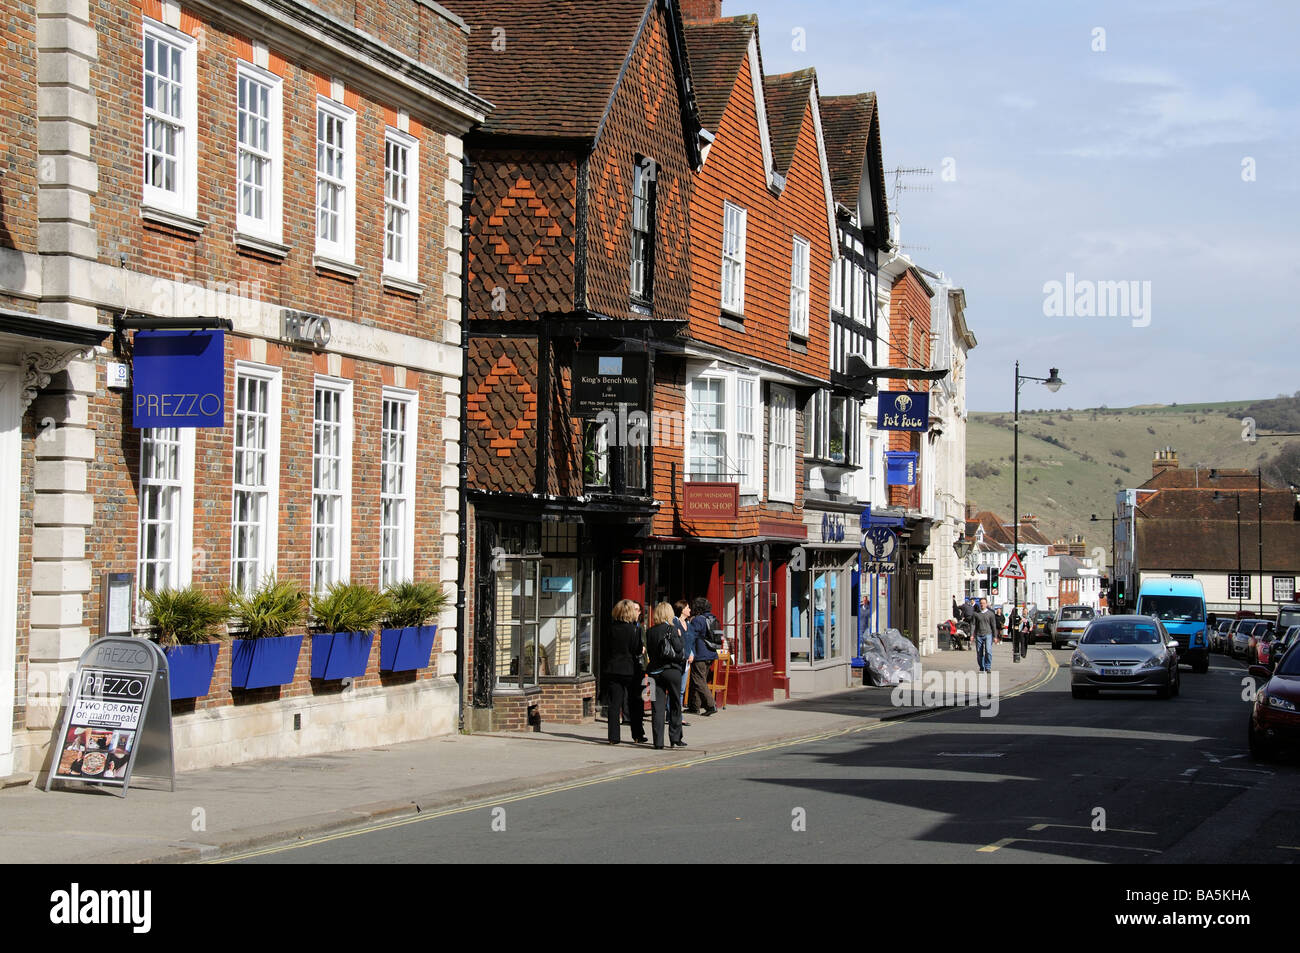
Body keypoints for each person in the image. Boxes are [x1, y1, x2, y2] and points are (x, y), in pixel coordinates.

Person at [602, 599, 647, 745]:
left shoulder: (611, 628)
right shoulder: (633, 629)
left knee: (614, 704)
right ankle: (637, 734)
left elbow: (606, 649)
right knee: (634, 702)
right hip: (630, 669)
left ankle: (613, 737)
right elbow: (636, 650)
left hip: (613, 669)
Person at [646, 602, 687, 749]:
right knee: (675, 703)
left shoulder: (650, 631)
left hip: (654, 673)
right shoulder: (672, 629)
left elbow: (650, 653)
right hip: (672, 670)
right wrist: (681, 637)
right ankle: (675, 738)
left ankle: (658, 742)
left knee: (657, 708)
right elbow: (678, 649)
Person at [685, 596, 719, 716]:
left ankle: (711, 705)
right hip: (711, 652)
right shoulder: (712, 617)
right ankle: (694, 706)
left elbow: (691, 636)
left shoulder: (698, 620)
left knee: (698, 680)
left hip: (700, 653)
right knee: (700, 679)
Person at [674, 599, 693, 716]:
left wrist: (692, 653)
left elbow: (692, 642)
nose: (690, 610)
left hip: (687, 661)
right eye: (687, 607)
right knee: (675, 689)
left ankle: (678, 715)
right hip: (677, 659)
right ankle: (674, 715)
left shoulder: (689, 624)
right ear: (682, 609)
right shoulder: (674, 622)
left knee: (681, 690)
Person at [972, 596, 997, 673]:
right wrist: (972, 635)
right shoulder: (976, 614)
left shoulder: (991, 614)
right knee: (979, 653)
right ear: (979, 604)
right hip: (979, 635)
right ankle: (982, 667)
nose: (982, 605)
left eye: (983, 603)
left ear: (986, 604)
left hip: (988, 634)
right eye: (981, 603)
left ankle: (988, 667)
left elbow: (993, 625)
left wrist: (995, 636)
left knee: (988, 651)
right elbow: (973, 625)